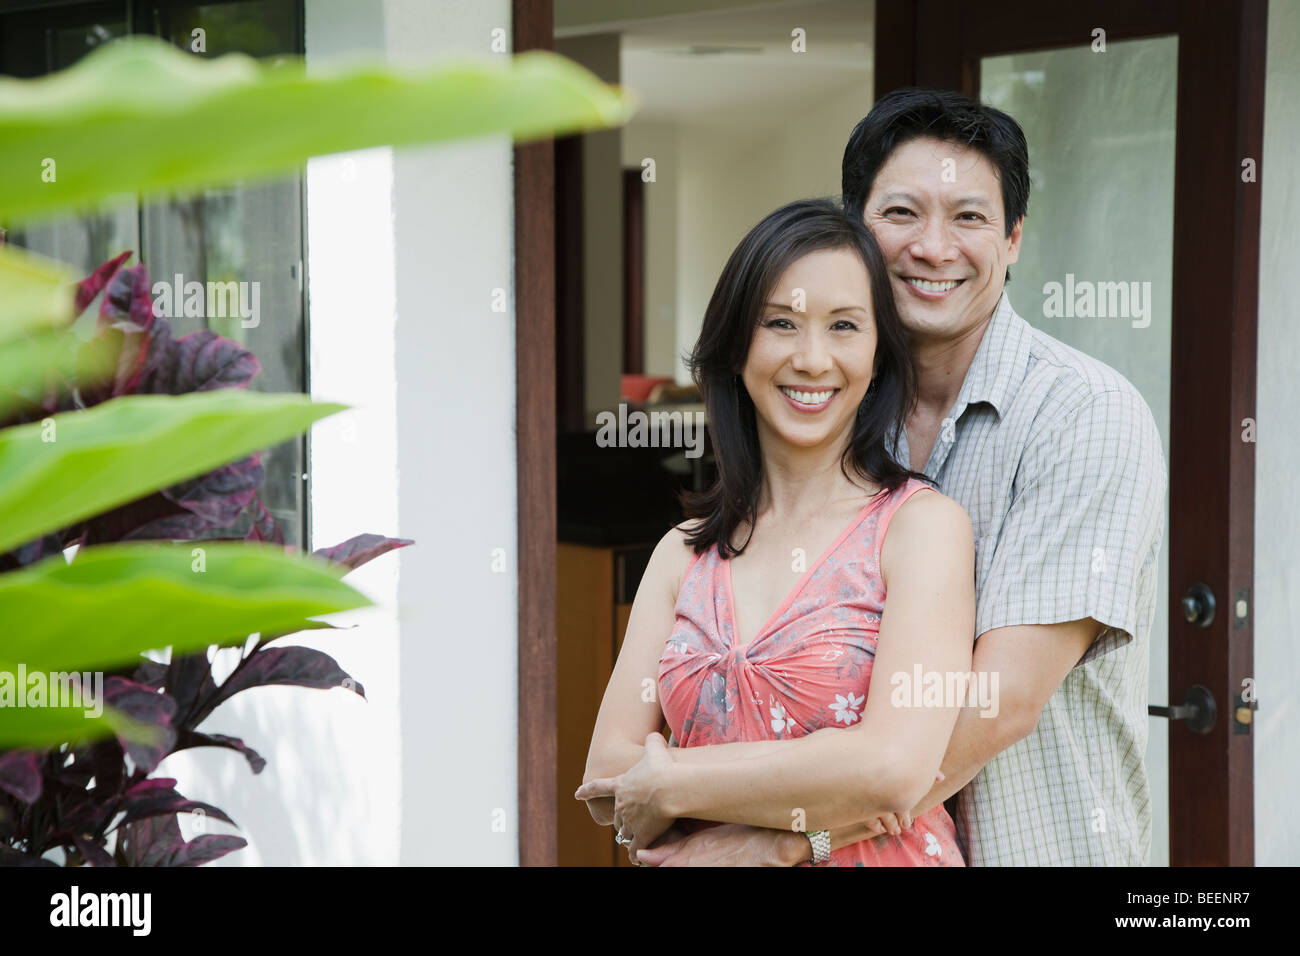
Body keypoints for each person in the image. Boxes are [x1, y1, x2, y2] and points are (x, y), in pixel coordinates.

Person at [599, 88, 1167, 867]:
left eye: (968, 217)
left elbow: (995, 704)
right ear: (857, 227)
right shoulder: (836, 412)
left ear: (1013, 240)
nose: (934, 248)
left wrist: (776, 839)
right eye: (902, 213)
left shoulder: (1084, 416)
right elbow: (611, 776)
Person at [575, 197, 976, 866]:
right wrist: (823, 773)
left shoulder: (922, 527)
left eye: (844, 325)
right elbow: (607, 779)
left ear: (879, 352)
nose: (813, 359)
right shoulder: (683, 551)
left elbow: (893, 767)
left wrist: (674, 783)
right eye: (781, 323)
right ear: (737, 347)